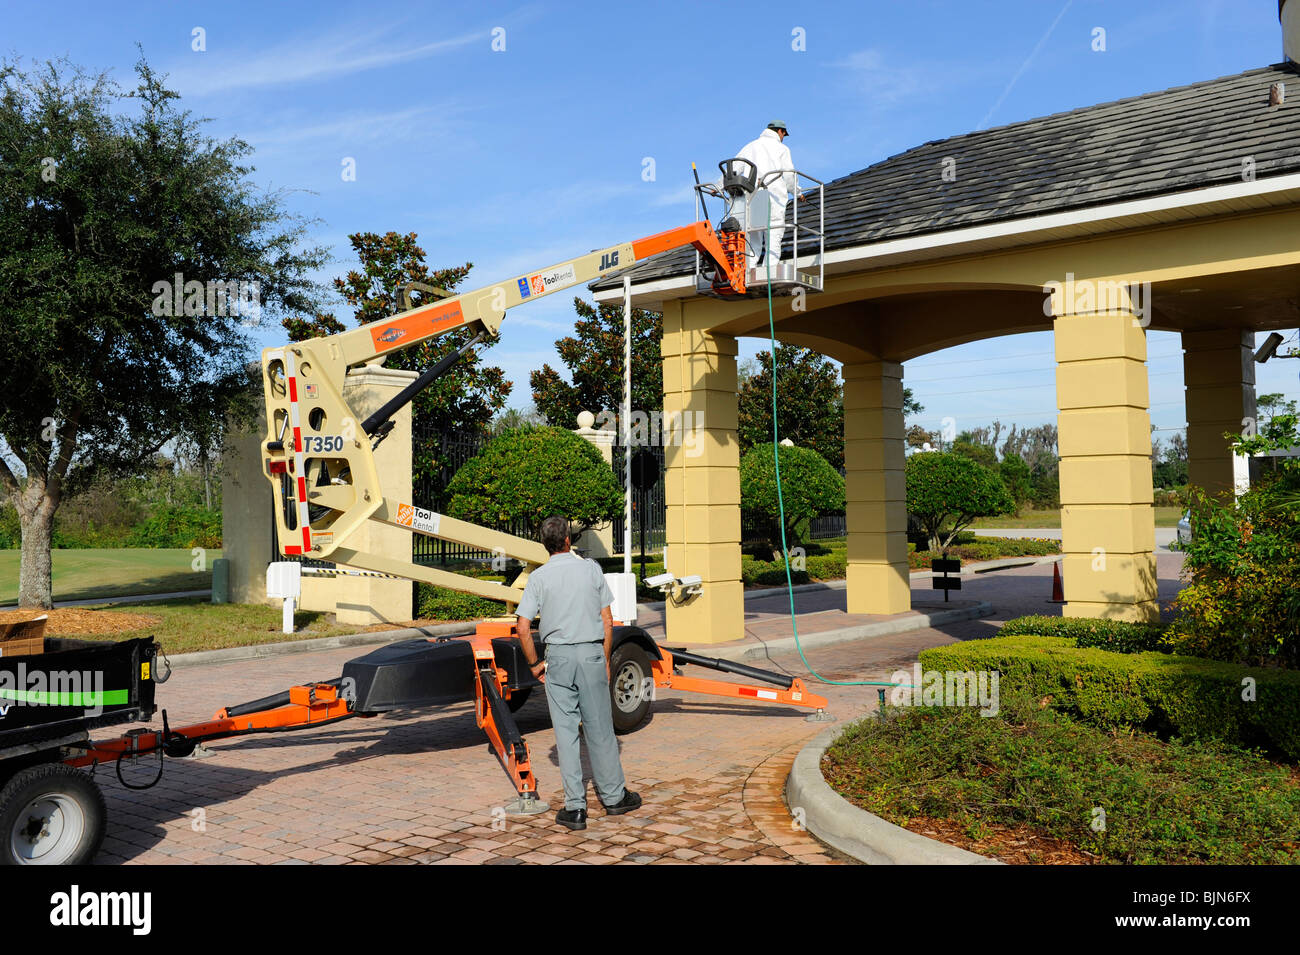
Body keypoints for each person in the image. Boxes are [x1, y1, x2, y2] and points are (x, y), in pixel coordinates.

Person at [515, 516, 641, 830]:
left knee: (566, 733)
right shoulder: (591, 570)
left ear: (545, 545)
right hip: (590, 653)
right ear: (568, 540)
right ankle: (613, 797)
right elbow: (608, 620)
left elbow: (522, 627)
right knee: (600, 727)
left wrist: (534, 664)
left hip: (557, 658)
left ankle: (575, 809)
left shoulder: (539, 577)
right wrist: (603, 658)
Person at [727, 120, 801, 266]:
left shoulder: (750, 146)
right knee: (773, 231)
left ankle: (749, 267)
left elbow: (733, 169)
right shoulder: (782, 149)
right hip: (773, 196)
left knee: (752, 232)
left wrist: (716, 186)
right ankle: (770, 268)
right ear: (781, 132)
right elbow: (789, 176)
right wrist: (797, 193)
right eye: (783, 135)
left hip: (751, 195)